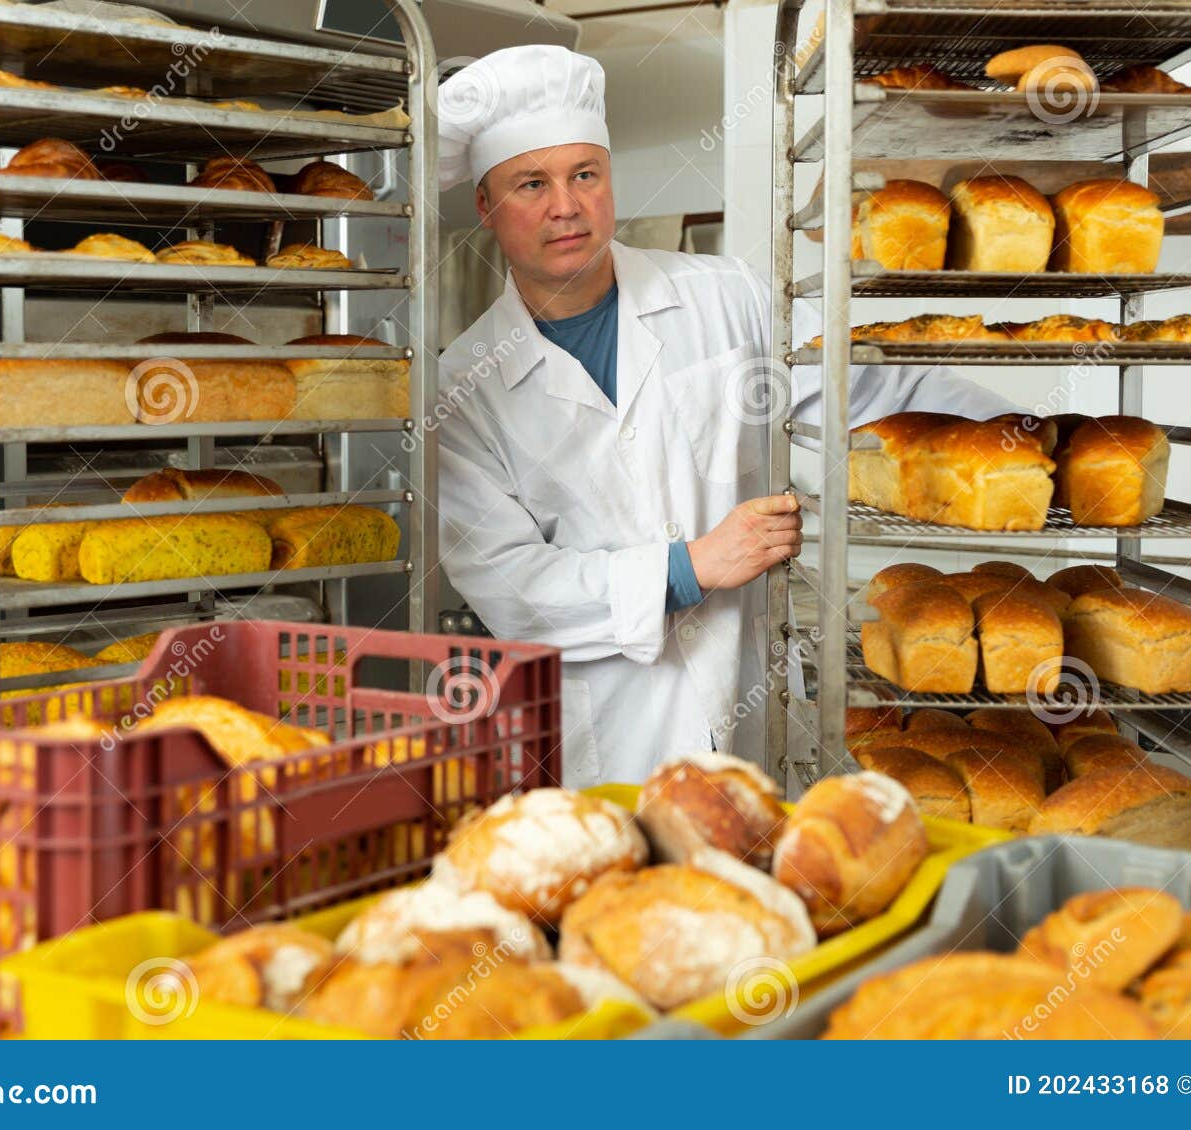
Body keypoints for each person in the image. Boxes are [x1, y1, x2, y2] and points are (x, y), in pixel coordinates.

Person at [433, 45, 1016, 786]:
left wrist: (1027, 438)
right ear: (485, 206)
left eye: (585, 174)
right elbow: (514, 590)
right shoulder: (463, 387)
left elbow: (864, 395)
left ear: (610, 179)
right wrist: (691, 568)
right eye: (530, 183)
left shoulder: (722, 297)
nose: (566, 206)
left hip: (756, 711)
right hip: (609, 744)